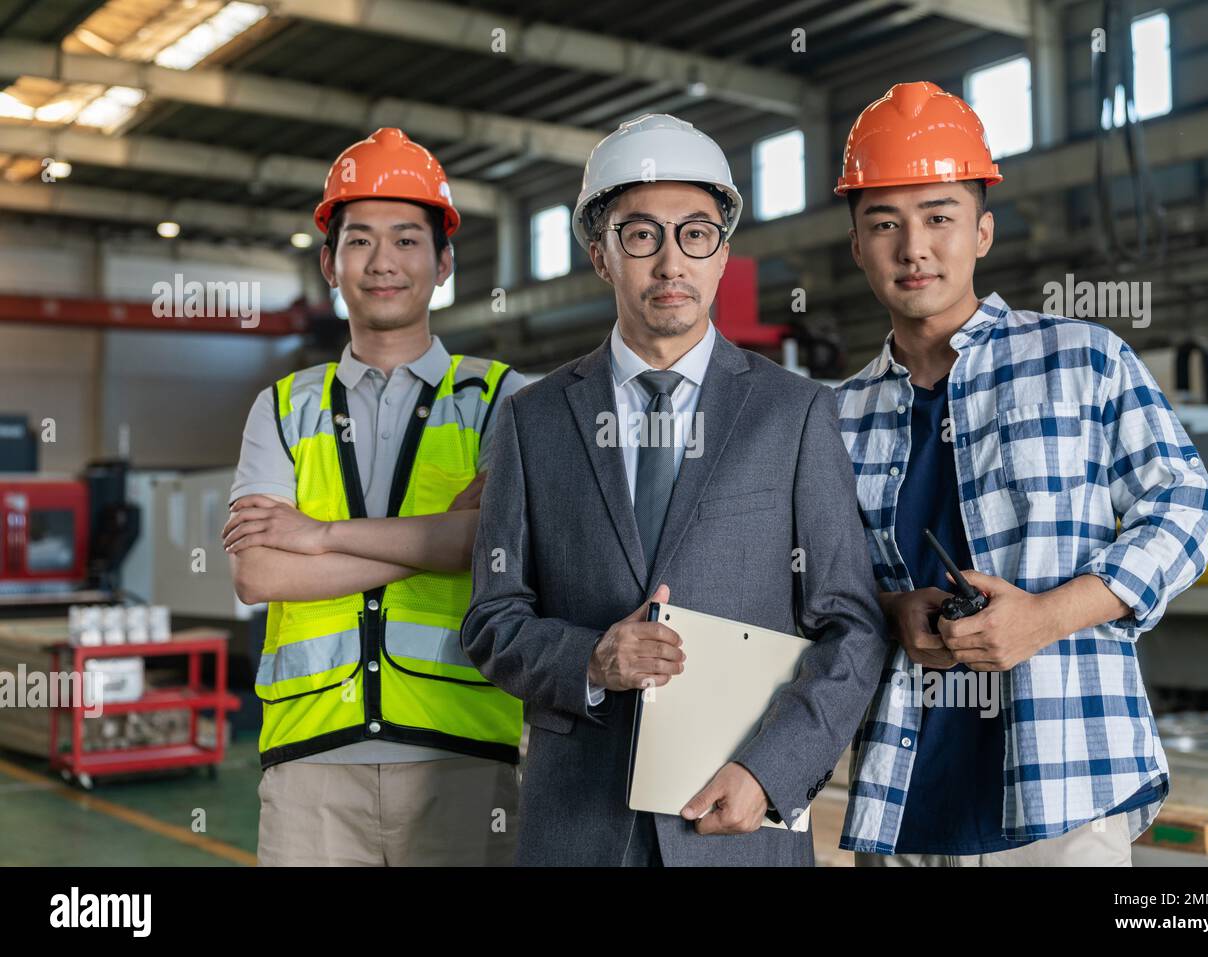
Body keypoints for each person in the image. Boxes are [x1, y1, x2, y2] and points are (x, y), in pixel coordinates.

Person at [461, 114, 888, 866]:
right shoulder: (535, 420)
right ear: (599, 253)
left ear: (723, 254)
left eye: (696, 233)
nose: (669, 263)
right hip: (580, 830)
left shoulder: (794, 414)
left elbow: (851, 628)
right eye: (640, 234)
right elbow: (492, 620)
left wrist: (772, 772)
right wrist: (591, 659)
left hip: (740, 827)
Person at [833, 82, 1208, 866]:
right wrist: (889, 609)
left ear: (982, 231)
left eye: (939, 217)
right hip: (902, 800)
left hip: (1064, 798)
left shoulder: (1084, 360)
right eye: (885, 223)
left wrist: (1047, 616)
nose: (914, 247)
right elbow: (810, 578)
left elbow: (1183, 508)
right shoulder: (834, 417)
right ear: (857, 247)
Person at [225, 127, 527, 866]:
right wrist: (441, 540)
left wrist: (321, 534)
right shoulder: (282, 407)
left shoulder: (502, 400)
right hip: (308, 767)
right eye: (359, 240)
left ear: (444, 261)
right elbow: (260, 574)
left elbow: (491, 546)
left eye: (406, 239)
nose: (383, 261)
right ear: (329, 263)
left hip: (462, 757)